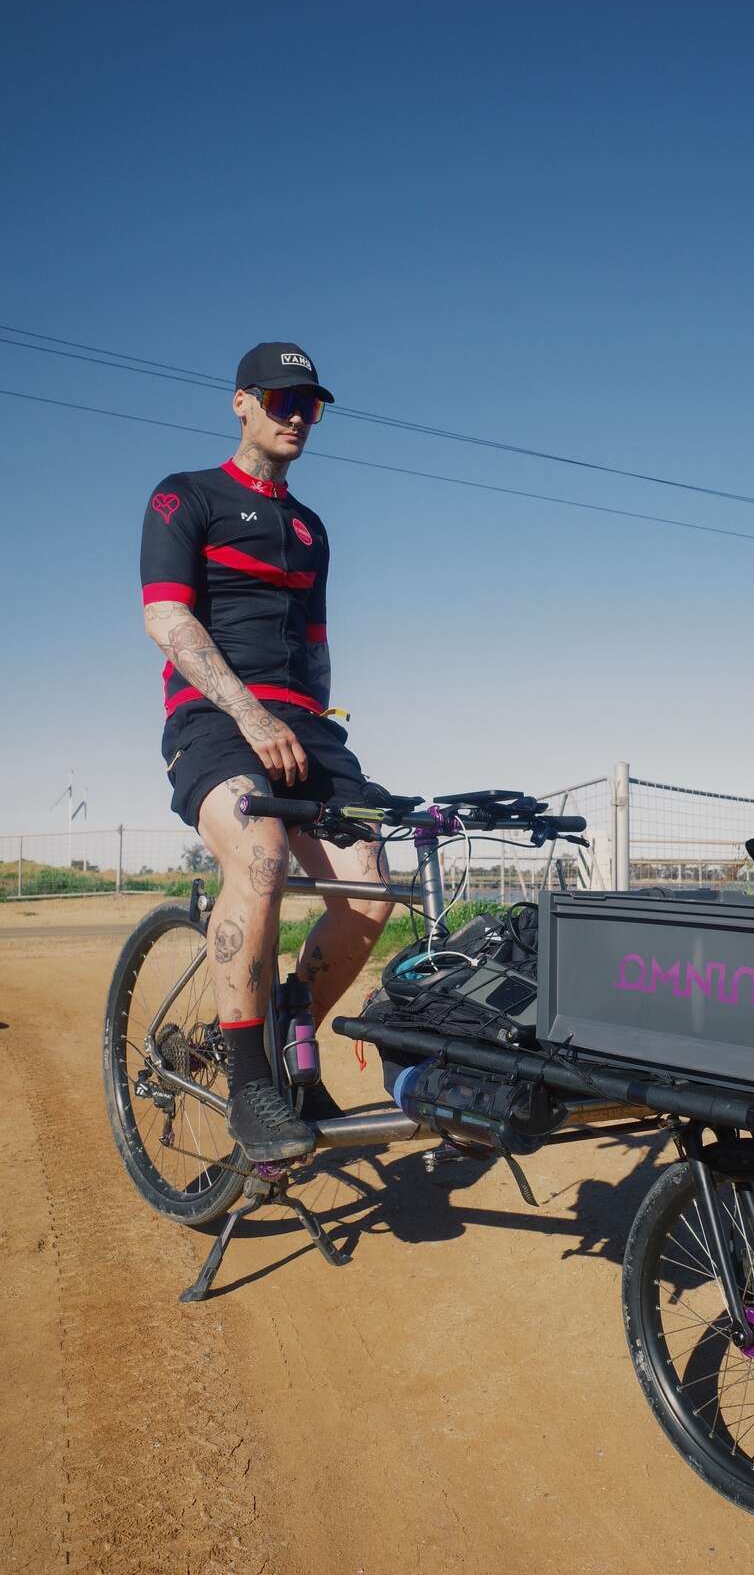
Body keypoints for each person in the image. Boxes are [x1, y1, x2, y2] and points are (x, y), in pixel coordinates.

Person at [140, 341, 390, 1161]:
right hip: (214, 719)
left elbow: (315, 642)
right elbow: (168, 621)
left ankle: (289, 1039)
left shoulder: (310, 528)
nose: (296, 416)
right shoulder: (186, 497)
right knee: (263, 857)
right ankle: (250, 1085)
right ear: (240, 402)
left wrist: (320, 727)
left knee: (371, 888)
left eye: (309, 404)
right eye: (281, 400)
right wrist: (250, 715)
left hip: (302, 727)